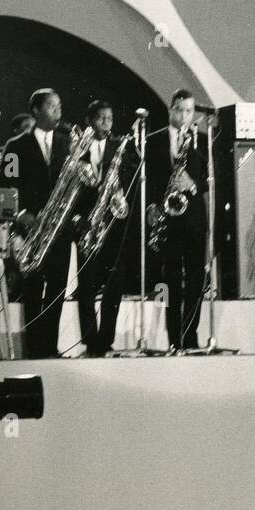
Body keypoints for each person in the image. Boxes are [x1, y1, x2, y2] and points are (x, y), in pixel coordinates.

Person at [0, 88, 73, 358]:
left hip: (60, 229)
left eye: (59, 105)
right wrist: (20, 215)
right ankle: (35, 349)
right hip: (31, 229)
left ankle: (50, 347)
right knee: (32, 291)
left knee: (57, 290)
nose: (58, 111)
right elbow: (4, 188)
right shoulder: (16, 146)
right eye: (52, 106)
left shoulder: (69, 143)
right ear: (36, 111)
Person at [74, 101, 137, 357]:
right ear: (90, 120)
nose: (106, 123)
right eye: (101, 118)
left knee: (114, 282)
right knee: (86, 284)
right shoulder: (79, 147)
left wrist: (120, 190)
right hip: (87, 221)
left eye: (110, 118)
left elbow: (131, 177)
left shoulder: (121, 146)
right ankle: (90, 340)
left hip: (112, 223)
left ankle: (106, 339)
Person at [150, 89, 210, 352]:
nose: (184, 116)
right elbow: (149, 180)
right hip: (167, 219)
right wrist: (152, 207)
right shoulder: (153, 141)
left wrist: (192, 185)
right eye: (179, 109)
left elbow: (212, 180)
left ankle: (191, 334)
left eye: (189, 111)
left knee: (197, 279)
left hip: (194, 219)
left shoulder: (204, 141)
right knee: (170, 279)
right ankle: (175, 338)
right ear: (170, 110)